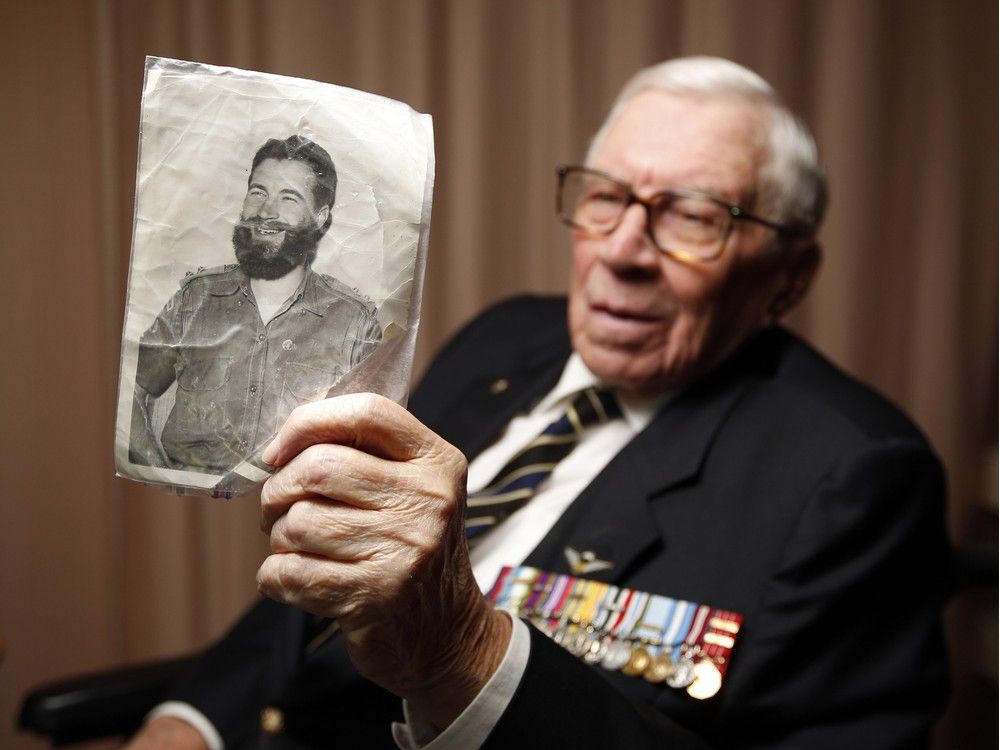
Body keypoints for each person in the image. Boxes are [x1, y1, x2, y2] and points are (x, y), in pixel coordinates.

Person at [130, 57, 950, 749]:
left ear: (789, 276)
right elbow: (323, 582)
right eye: (605, 196)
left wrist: (463, 652)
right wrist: (191, 720)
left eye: (696, 217)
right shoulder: (502, 338)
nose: (622, 251)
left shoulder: (854, 479)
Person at [129, 135, 382, 474]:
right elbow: (129, 391)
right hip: (191, 514)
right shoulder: (195, 298)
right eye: (258, 192)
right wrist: (162, 475)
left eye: (288, 198)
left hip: (297, 514)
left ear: (320, 218)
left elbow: (372, 444)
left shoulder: (355, 322)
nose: (265, 212)